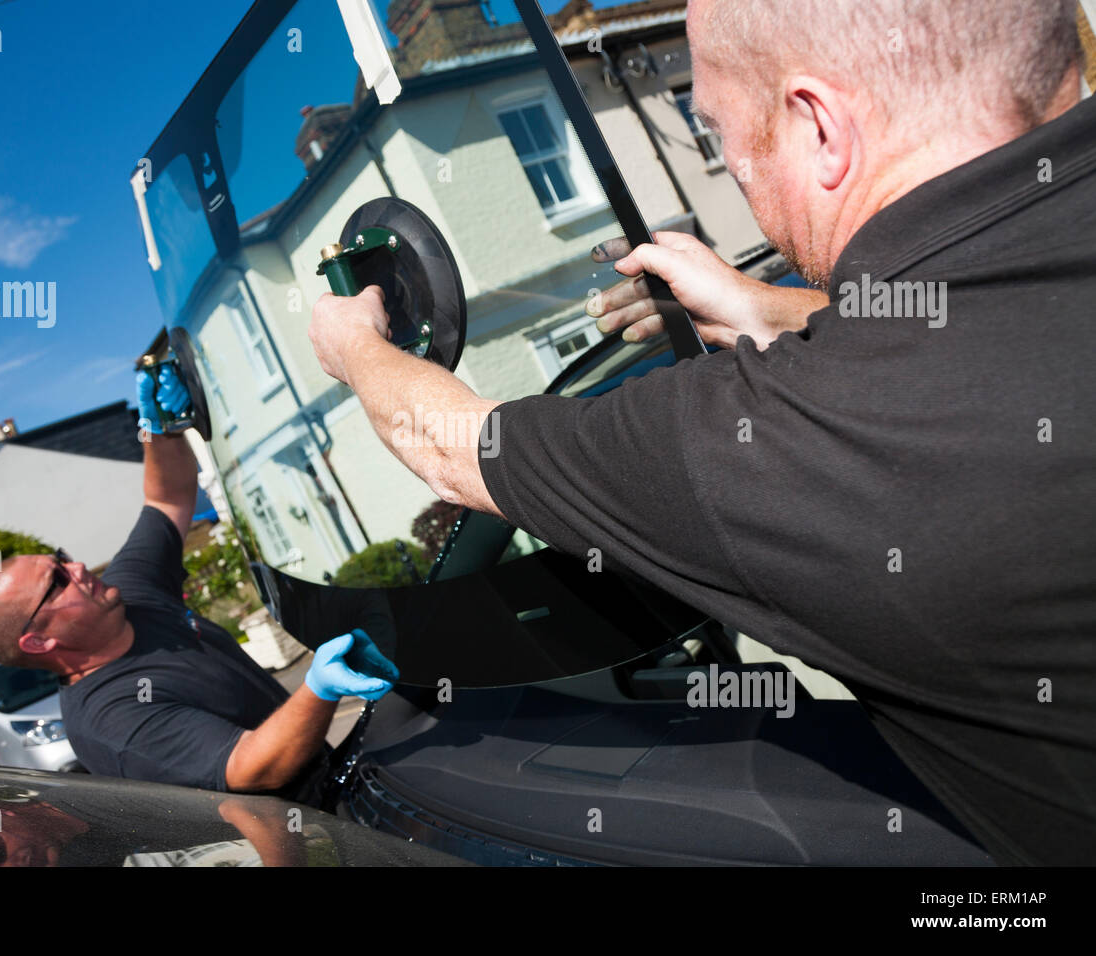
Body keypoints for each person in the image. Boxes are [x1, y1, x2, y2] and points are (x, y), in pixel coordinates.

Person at [306, 0, 1095, 864]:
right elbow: (965, 324)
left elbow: (451, 446)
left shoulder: (791, 437)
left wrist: (355, 347)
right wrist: (763, 309)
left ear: (819, 127)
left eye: (719, 134)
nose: (735, 172)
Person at [0, 366, 398, 797]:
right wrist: (318, 687)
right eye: (57, 580)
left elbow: (166, 499)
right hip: (317, 838)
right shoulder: (113, 720)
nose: (77, 569)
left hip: (344, 781)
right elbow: (250, 768)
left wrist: (161, 428)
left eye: (61, 558)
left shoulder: (131, 594)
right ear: (38, 642)